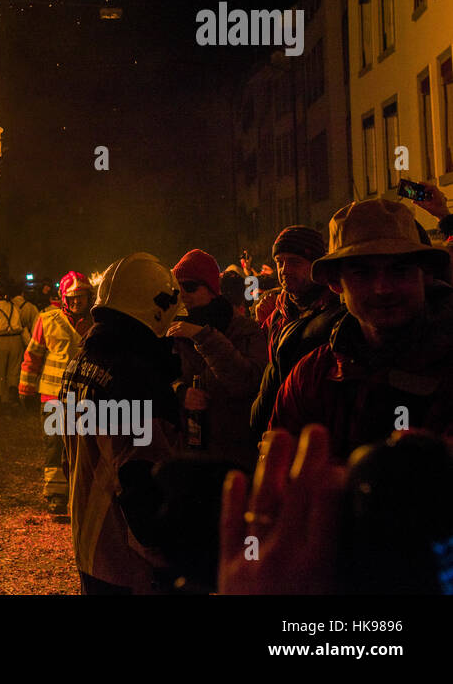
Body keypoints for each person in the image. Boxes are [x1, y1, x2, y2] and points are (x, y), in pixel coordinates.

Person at [271, 198, 453, 458]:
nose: (383, 288)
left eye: (399, 270)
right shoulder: (312, 375)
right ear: (336, 283)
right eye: (362, 273)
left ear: (425, 274)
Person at [61, 253, 182, 594]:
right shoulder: (135, 377)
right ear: (156, 310)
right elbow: (138, 477)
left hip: (89, 542)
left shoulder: (81, 359)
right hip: (127, 559)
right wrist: (162, 553)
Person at [167, 249, 267, 471]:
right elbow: (162, 378)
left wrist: (204, 337)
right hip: (190, 455)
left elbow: (247, 382)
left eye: (191, 286)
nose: (183, 294)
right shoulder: (173, 329)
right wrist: (180, 392)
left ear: (212, 290)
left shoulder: (244, 329)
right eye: (178, 287)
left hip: (234, 458)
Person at [249, 226, 343, 439]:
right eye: (280, 262)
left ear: (317, 266)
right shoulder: (279, 313)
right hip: (274, 431)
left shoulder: (336, 313)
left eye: (295, 262)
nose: (284, 270)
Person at [21, 270, 94, 514]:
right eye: (72, 298)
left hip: (86, 396)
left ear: (89, 297)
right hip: (53, 395)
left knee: (84, 446)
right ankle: (56, 495)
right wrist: (26, 387)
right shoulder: (47, 319)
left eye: (81, 297)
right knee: (54, 445)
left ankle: (81, 494)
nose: (77, 302)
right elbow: (33, 355)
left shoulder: (98, 322)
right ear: (64, 298)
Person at [0, 284, 39, 413]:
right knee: (14, 372)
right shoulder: (13, 307)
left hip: (0, 341)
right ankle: (12, 402)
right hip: (16, 340)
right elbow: (22, 326)